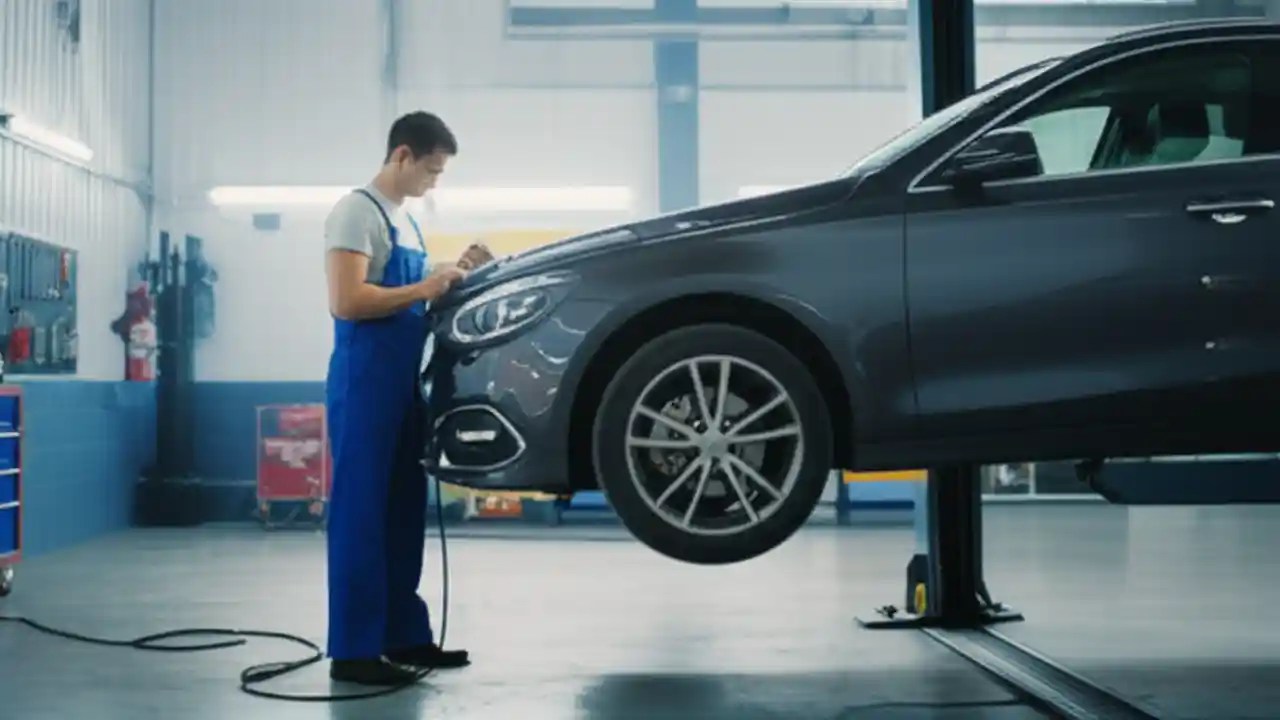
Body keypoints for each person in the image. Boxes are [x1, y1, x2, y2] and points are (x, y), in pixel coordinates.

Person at [322, 111, 491, 685]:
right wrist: (424, 286)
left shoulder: (406, 223)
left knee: (400, 511)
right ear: (402, 156)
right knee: (361, 513)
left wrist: (456, 276)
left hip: (401, 386)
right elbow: (347, 301)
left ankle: (403, 636)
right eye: (431, 170)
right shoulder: (356, 213)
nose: (434, 181)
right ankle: (353, 651)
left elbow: (411, 301)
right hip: (364, 384)